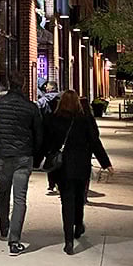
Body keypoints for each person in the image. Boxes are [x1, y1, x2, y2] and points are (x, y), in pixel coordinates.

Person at [0, 70, 43, 256]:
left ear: (8, 84)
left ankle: (4, 227)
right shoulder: (31, 107)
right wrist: (35, 155)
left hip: (3, 155)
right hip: (23, 157)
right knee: (19, 198)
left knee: (3, 192)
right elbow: (39, 135)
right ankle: (15, 240)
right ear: (22, 85)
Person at [44, 89, 113, 255]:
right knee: (79, 197)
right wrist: (106, 163)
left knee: (66, 201)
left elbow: (47, 143)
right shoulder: (85, 120)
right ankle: (79, 225)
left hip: (62, 168)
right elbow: (95, 142)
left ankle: (68, 240)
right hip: (81, 166)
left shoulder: (54, 119)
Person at [39, 80, 61, 194]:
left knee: (50, 157)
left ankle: (52, 183)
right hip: (60, 132)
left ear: (50, 88)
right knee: (59, 156)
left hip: (47, 133)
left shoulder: (43, 100)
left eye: (46, 86)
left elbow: (37, 110)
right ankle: (59, 181)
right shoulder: (62, 99)